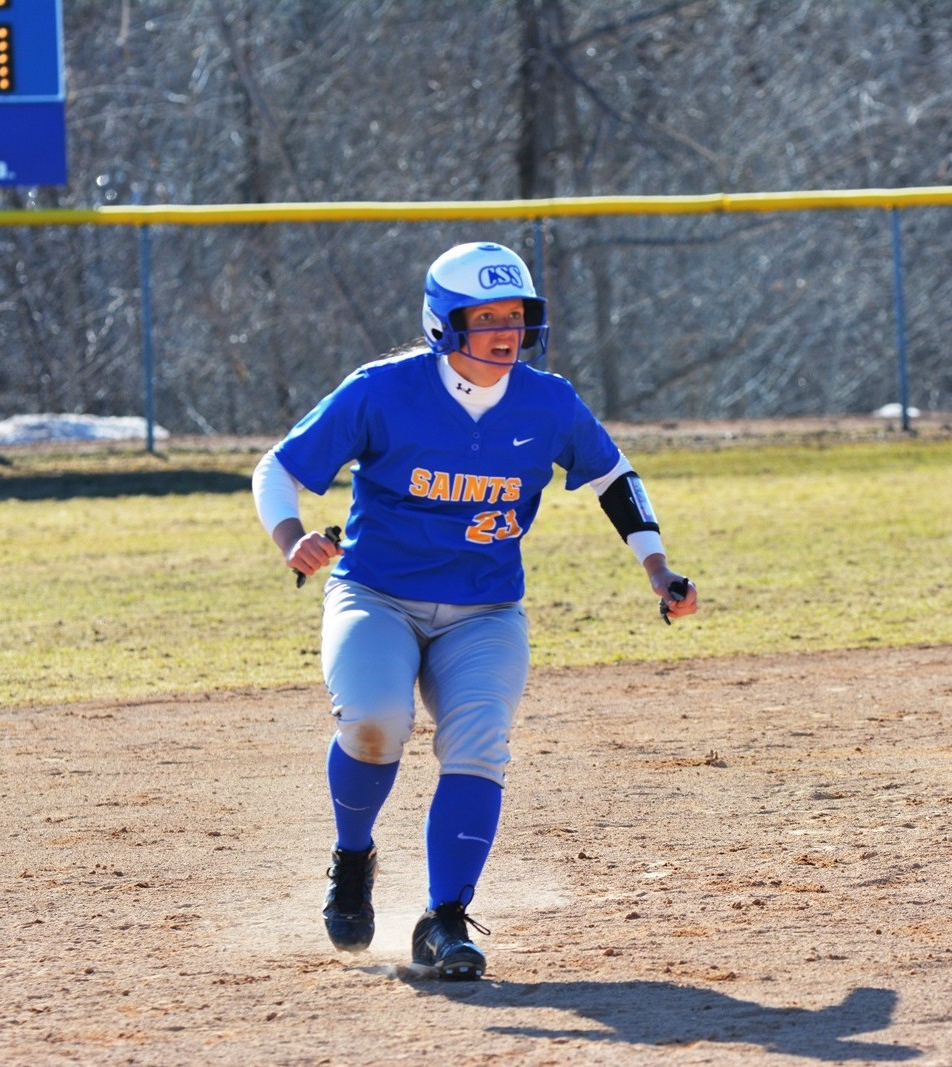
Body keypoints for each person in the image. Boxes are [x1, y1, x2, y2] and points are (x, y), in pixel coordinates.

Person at [251, 241, 698, 980]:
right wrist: (292, 536)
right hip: (376, 594)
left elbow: (615, 477)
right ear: (442, 324)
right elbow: (279, 467)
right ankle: (354, 857)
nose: (504, 331)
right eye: (483, 316)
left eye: (516, 315)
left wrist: (657, 566)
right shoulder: (382, 391)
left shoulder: (547, 401)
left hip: (485, 610)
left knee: (481, 741)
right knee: (374, 722)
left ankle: (445, 918)